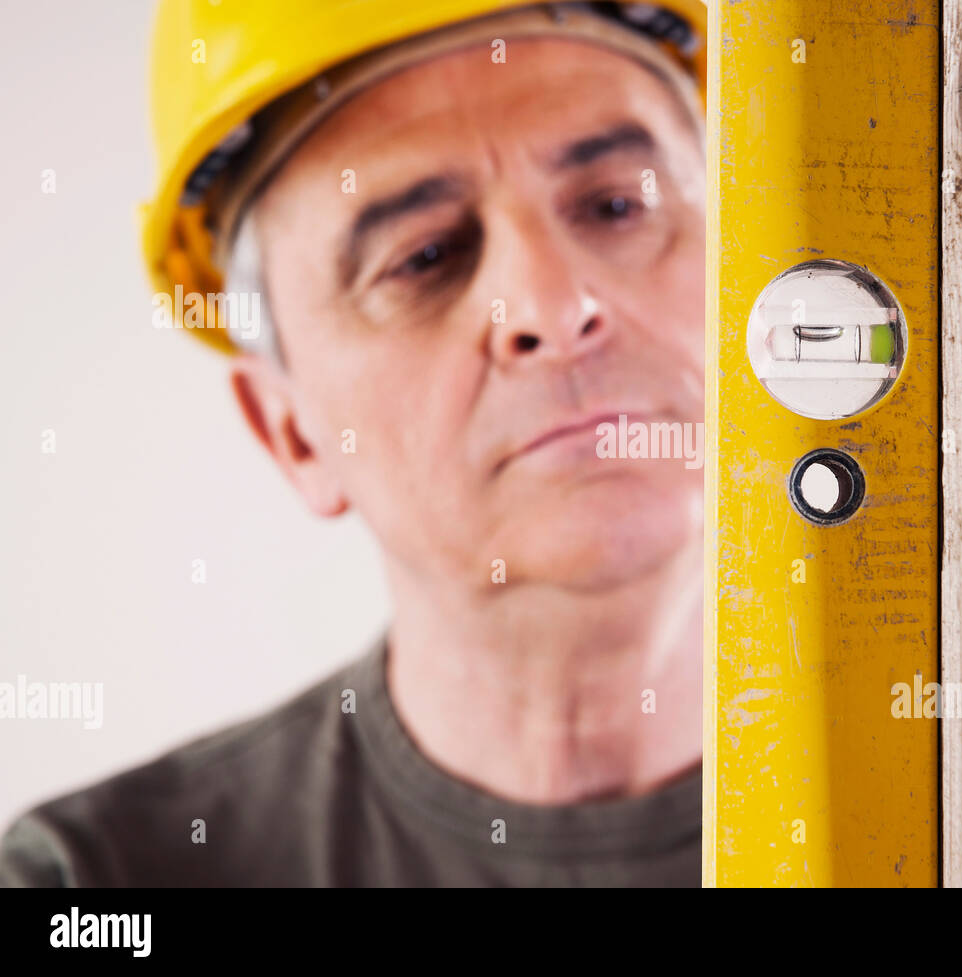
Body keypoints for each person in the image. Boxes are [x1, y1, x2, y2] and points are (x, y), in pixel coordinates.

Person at [0, 0, 708, 887]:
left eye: (616, 204)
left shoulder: (936, 798)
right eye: (424, 257)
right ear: (291, 433)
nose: (553, 309)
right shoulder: (100, 884)